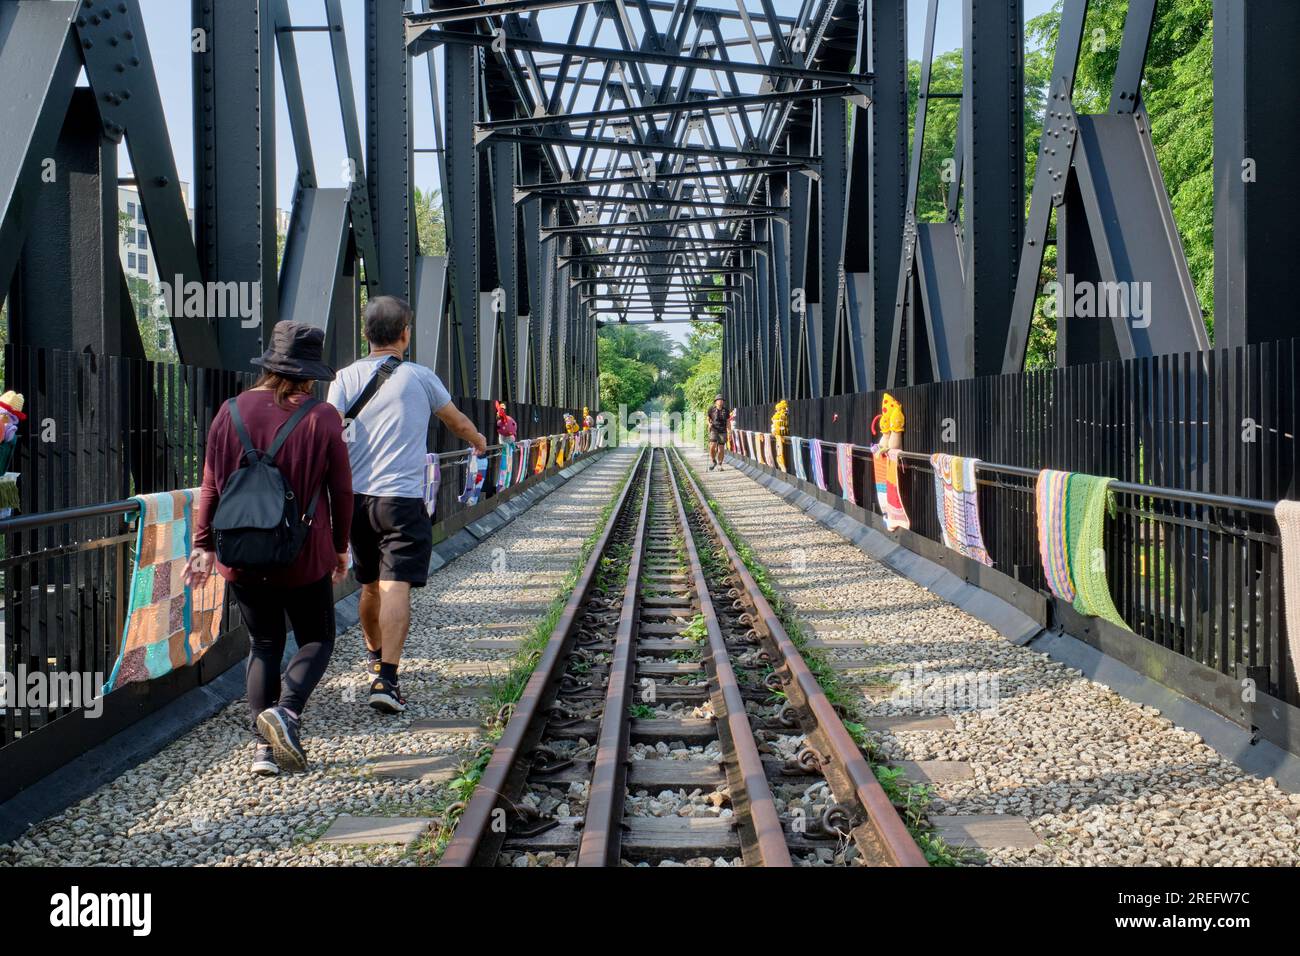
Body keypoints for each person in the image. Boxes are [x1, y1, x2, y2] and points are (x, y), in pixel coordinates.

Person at [190, 321, 353, 776]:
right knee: (317, 638)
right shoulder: (322, 418)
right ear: (310, 374)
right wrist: (340, 547)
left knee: (263, 643)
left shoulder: (230, 412)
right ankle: (287, 712)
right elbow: (341, 492)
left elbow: (210, 485)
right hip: (303, 556)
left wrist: (203, 544)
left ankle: (264, 752)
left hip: (240, 554)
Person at [328, 295, 487, 714]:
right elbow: (456, 420)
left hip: (357, 500)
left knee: (367, 586)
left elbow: (327, 430)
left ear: (366, 334)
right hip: (401, 500)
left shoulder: (343, 378)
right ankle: (388, 680)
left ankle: (374, 658)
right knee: (395, 586)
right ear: (405, 334)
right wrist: (478, 441)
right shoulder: (420, 377)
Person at [707, 395, 729, 470]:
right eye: (719, 400)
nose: (721, 401)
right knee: (712, 446)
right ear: (715, 401)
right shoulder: (711, 409)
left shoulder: (726, 410)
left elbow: (728, 421)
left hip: (722, 430)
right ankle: (713, 461)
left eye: (722, 400)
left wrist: (730, 431)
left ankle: (720, 464)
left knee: (721, 448)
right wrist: (709, 424)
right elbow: (708, 418)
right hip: (714, 429)